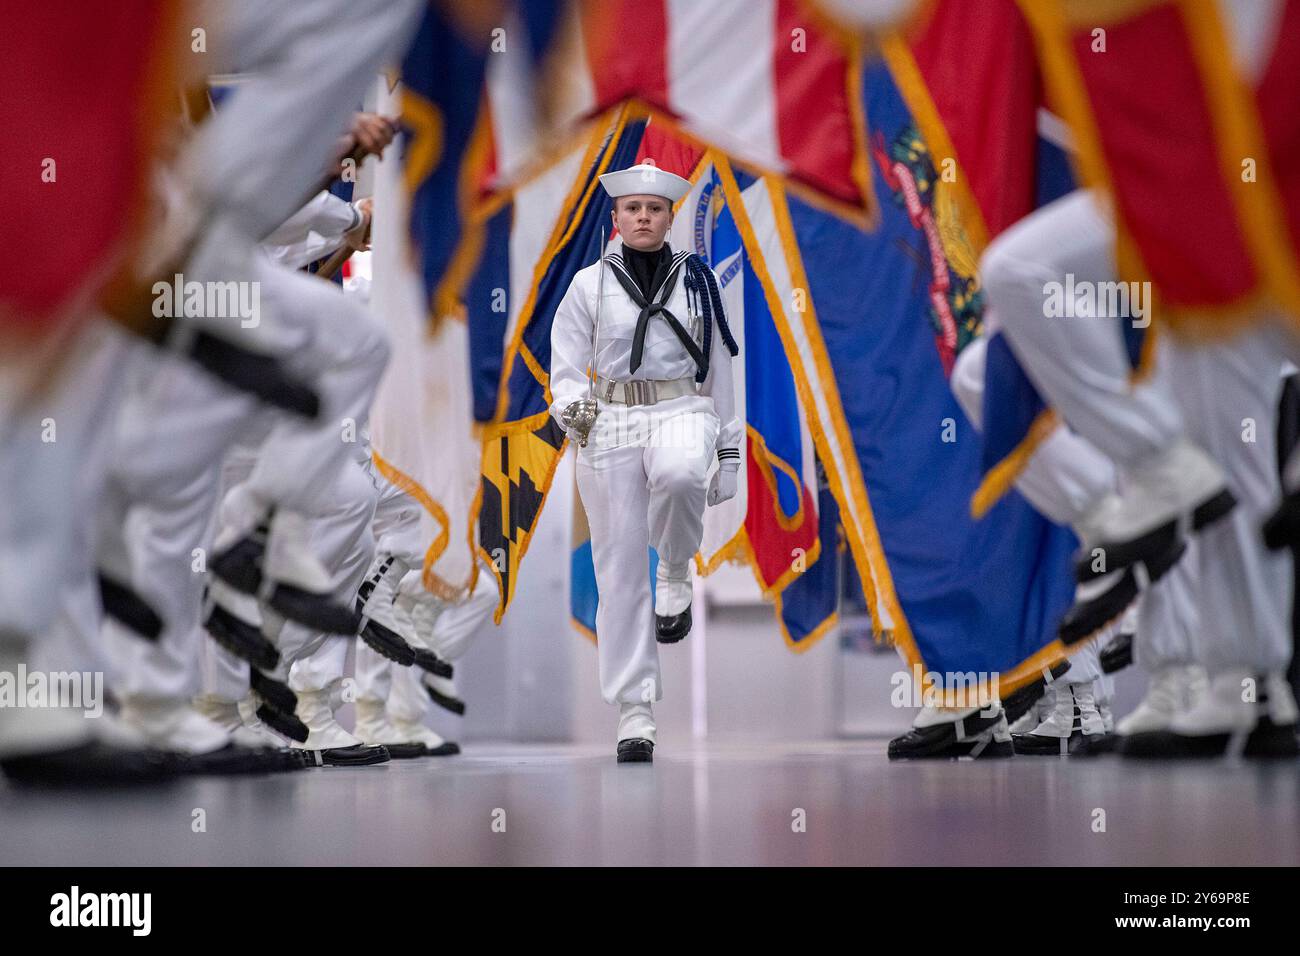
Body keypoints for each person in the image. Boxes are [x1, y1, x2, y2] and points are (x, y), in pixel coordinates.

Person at [548, 163, 741, 763]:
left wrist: (729, 452)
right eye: (632, 208)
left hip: (680, 405)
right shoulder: (587, 285)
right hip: (610, 419)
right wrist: (583, 423)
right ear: (616, 217)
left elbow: (721, 369)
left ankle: (676, 570)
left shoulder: (699, 281)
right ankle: (635, 711)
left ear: (668, 218)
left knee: (684, 473)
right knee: (618, 568)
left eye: (654, 209)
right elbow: (565, 372)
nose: (643, 217)